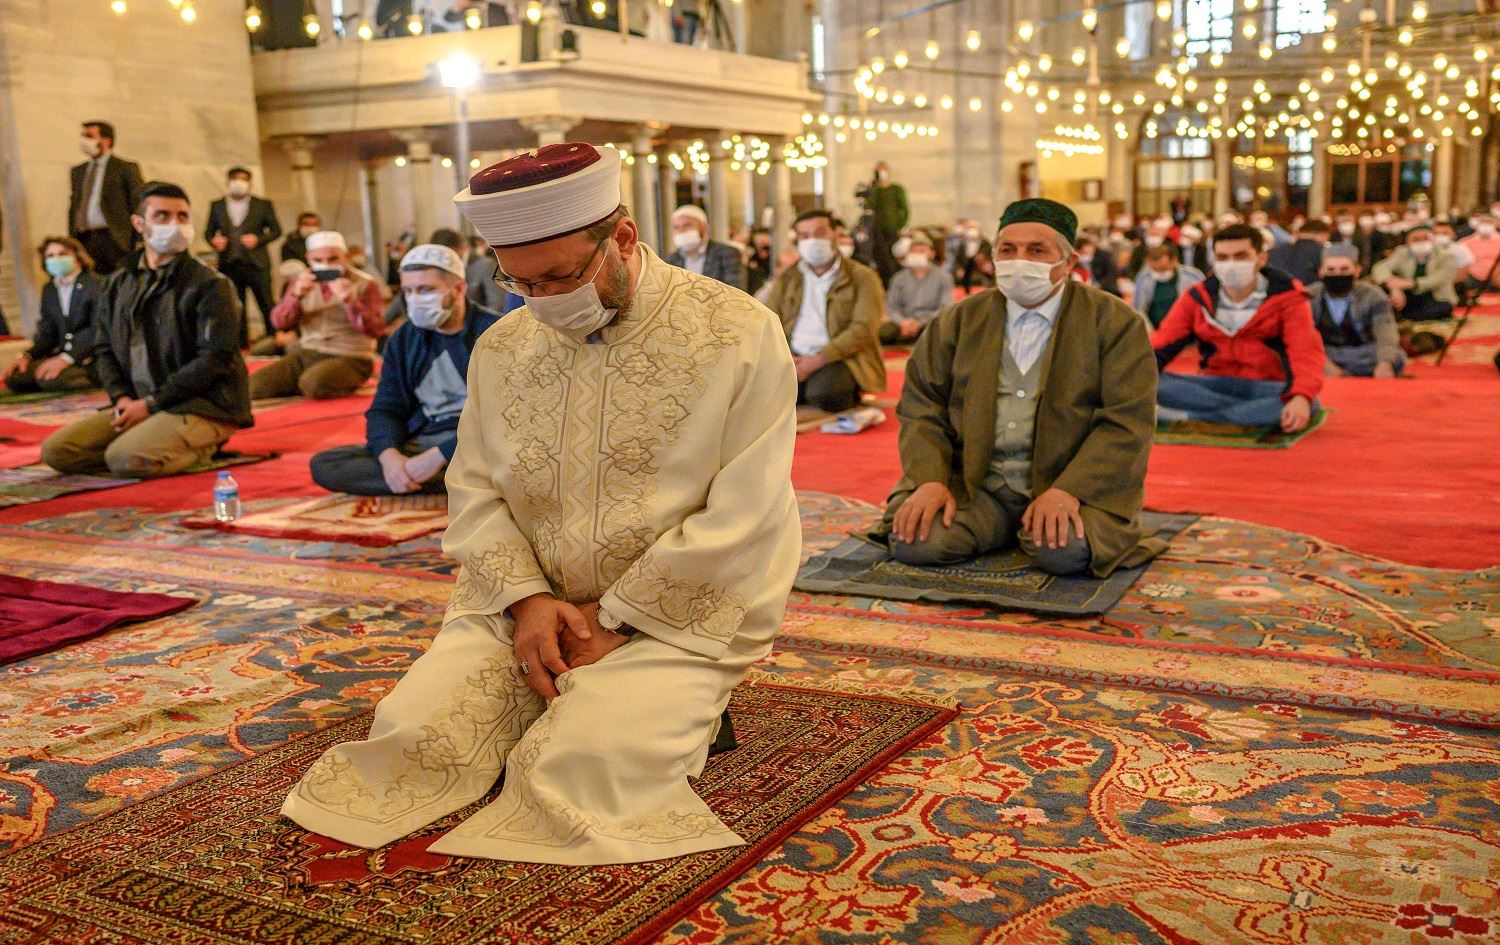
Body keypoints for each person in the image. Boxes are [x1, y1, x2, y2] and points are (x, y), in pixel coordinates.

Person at [281, 142, 801, 865]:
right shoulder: (501, 346)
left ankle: (656, 703)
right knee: (412, 740)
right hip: (524, 607)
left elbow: (749, 509)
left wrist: (616, 618)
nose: (543, 299)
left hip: (672, 613)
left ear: (621, 238)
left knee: (582, 770)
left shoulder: (737, 331)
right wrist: (526, 601)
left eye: (560, 274)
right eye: (520, 282)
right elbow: (476, 487)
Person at [880, 198, 1165, 578]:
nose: (1019, 260)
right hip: (974, 483)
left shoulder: (1115, 322)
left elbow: (1127, 421)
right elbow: (921, 407)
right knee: (915, 541)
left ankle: (1035, 524)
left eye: (1036, 250)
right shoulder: (958, 320)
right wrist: (931, 481)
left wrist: (1069, 490)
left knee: (1064, 551)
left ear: (1068, 263)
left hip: (1070, 486)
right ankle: (997, 525)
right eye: (1008, 250)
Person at [41, 182, 252, 478]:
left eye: (182, 217)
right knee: (58, 451)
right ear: (139, 224)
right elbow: (103, 349)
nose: (175, 225)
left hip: (203, 405)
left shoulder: (210, 285)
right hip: (141, 402)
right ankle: (152, 439)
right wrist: (122, 399)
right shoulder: (118, 283)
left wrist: (152, 404)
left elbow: (215, 358)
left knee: (126, 459)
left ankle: (204, 445)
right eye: (163, 216)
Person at [309, 244, 500, 496]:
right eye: (408, 291)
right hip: (425, 440)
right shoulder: (405, 338)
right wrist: (390, 459)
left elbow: (505, 417)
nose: (415, 299)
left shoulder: (496, 333)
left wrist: (441, 455)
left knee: (520, 458)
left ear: (459, 289)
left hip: (480, 444)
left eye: (426, 290)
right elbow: (386, 408)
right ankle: (450, 484)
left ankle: (444, 480)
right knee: (325, 465)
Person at [1151, 223, 1324, 432]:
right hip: (1211, 384)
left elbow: (1304, 350)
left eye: (1241, 256)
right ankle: (1240, 415)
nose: (1231, 264)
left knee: (1310, 403)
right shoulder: (1196, 298)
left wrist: (1301, 396)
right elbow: (1162, 343)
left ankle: (1188, 416)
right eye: (1222, 258)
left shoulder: (1288, 298)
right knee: (1153, 383)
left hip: (1265, 386)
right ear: (1213, 260)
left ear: (1261, 258)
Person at [764, 209, 886, 413]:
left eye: (820, 233)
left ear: (835, 234)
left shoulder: (863, 277)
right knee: (763, 393)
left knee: (826, 394)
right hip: (793, 355)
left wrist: (818, 359)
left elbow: (863, 329)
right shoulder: (787, 278)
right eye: (805, 236)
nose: (813, 241)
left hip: (838, 356)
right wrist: (788, 358)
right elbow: (769, 321)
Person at [251, 231, 384, 400]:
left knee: (313, 384)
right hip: (308, 352)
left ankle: (316, 380)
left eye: (333, 259)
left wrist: (351, 303)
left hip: (351, 356)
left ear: (345, 256)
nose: (326, 265)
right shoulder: (300, 282)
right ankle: (305, 380)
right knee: (254, 387)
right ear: (308, 259)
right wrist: (296, 296)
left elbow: (375, 330)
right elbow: (279, 323)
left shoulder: (365, 283)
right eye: (318, 261)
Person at [5, 237, 104, 393]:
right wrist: (27, 356)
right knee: (16, 378)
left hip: (90, 356)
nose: (56, 259)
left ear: (78, 256)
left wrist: (66, 358)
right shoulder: (49, 290)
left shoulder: (96, 284)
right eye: (50, 256)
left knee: (50, 380)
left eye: (62, 254)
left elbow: (97, 329)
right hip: (63, 354)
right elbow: (48, 333)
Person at [206, 166, 284, 349]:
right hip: (230, 263)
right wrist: (214, 240)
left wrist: (259, 239)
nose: (239, 182)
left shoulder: (262, 205)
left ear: (250, 183)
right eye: (235, 178)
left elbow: (276, 230)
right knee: (235, 306)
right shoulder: (217, 205)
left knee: (266, 302)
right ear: (228, 181)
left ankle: (275, 342)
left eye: (243, 179)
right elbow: (208, 232)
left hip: (256, 263)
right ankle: (240, 346)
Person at [1306, 243, 1404, 378]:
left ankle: (1342, 372)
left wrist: (1384, 364)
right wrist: (1327, 366)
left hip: (1361, 352)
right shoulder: (1309, 296)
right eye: (1331, 270)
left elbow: (1386, 332)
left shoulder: (1373, 295)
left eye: (1344, 269)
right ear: (1321, 272)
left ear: (1357, 271)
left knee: (1397, 356)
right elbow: (1302, 338)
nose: (1337, 274)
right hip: (1324, 353)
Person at [67, 120, 145, 274]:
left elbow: (138, 203)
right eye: (83, 136)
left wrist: (139, 239)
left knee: (119, 281)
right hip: (85, 238)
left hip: (114, 239)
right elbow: (74, 206)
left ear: (106, 140)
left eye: (89, 136)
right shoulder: (79, 171)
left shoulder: (125, 168)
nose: (84, 141)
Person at [1371, 224, 1459, 322]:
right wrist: (1394, 287)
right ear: (1407, 242)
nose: (1421, 242)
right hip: (1408, 296)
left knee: (1444, 308)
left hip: (1435, 297)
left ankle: (1404, 315)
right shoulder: (1402, 252)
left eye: (1425, 238)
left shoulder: (1445, 256)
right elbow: (1380, 268)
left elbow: (1438, 279)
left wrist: (1411, 283)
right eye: (1416, 239)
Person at [880, 233, 953, 345]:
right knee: (882, 333)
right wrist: (903, 322)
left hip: (930, 321)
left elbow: (945, 307)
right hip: (904, 320)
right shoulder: (898, 278)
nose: (917, 254)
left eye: (921, 251)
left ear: (931, 254)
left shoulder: (944, 277)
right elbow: (891, 307)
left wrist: (920, 323)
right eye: (914, 251)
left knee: (942, 333)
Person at [664, 204, 747, 290]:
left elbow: (735, 291)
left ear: (704, 228)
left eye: (687, 225)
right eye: (676, 227)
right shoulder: (671, 260)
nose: (681, 231)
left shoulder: (727, 253)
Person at [1133, 244, 1205, 329]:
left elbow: (1203, 307)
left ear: (1173, 261)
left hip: (1186, 329)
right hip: (1155, 330)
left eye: (1163, 269)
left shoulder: (1193, 277)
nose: (1159, 273)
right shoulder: (1143, 278)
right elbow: (1139, 309)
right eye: (1155, 270)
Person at [865, 161, 910, 283]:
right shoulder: (873, 191)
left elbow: (904, 209)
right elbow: (867, 207)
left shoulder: (896, 189)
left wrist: (900, 225)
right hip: (875, 230)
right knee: (878, 256)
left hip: (892, 229)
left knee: (891, 256)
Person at [1268, 219, 1330, 287]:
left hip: (1276, 294)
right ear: (1323, 235)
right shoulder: (1323, 253)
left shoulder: (1274, 251)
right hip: (1307, 294)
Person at [1457, 212, 1500, 291]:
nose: (1486, 225)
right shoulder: (1464, 242)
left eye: (1489, 222)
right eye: (1483, 222)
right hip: (1471, 279)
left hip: (1496, 279)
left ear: (1495, 224)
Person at [745, 227, 774, 296]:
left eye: (766, 247)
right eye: (757, 246)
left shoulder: (774, 257)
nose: (762, 252)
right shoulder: (751, 256)